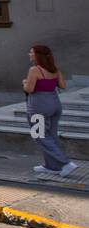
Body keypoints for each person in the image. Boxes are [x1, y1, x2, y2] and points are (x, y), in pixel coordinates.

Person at [22, 44, 77, 177]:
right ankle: (52, 166)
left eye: (31, 52)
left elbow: (29, 89)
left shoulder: (34, 70)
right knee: (51, 136)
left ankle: (65, 163)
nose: (29, 54)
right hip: (55, 105)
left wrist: (24, 83)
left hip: (38, 107)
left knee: (40, 135)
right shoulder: (54, 69)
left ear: (37, 55)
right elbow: (63, 86)